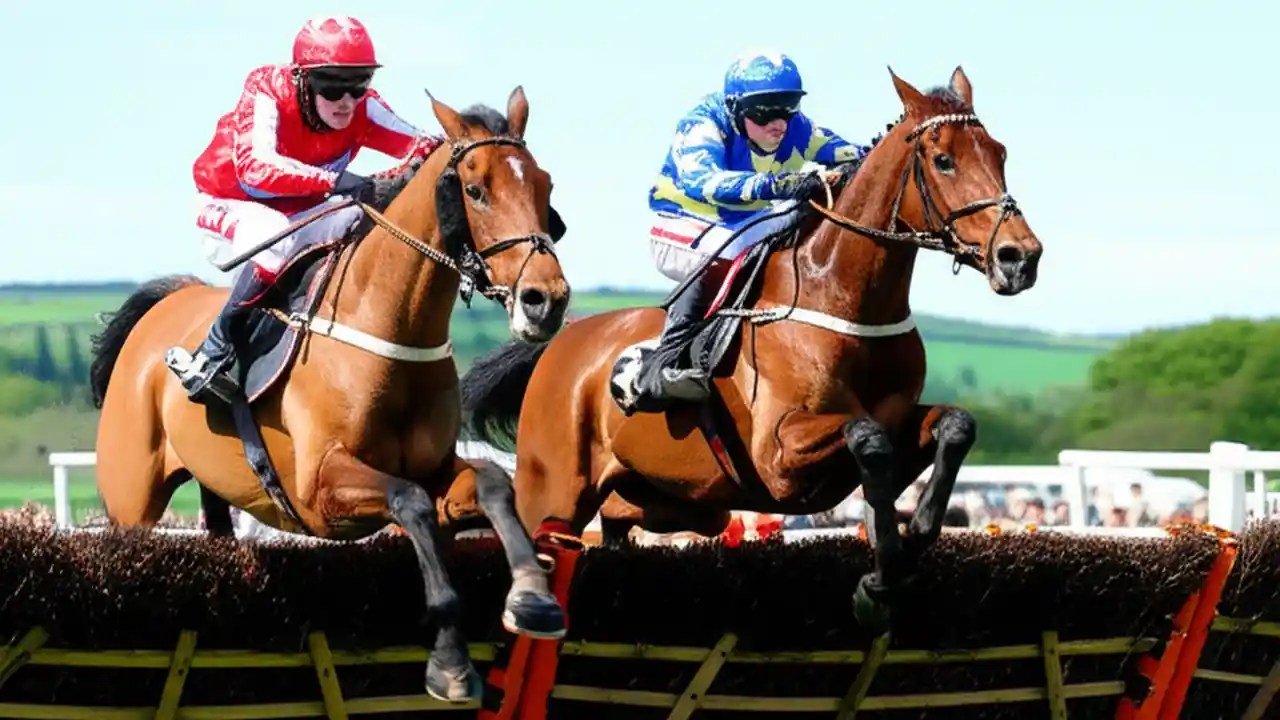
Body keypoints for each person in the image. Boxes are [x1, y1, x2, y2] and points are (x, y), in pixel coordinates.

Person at [165, 15, 443, 405]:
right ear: (302, 79)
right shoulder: (266, 90)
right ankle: (214, 350)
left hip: (303, 211)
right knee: (274, 242)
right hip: (231, 204)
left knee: (370, 224)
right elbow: (255, 168)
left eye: (359, 84)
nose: (346, 101)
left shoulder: (363, 108)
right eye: (331, 86)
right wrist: (336, 181)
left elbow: (430, 149)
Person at [635, 50, 872, 406]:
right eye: (765, 113)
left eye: (788, 108)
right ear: (735, 109)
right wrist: (778, 185)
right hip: (681, 222)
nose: (779, 123)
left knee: (806, 220)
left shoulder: (797, 129)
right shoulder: (702, 125)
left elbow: (854, 156)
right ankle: (667, 361)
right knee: (730, 250)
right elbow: (706, 182)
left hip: (744, 221)